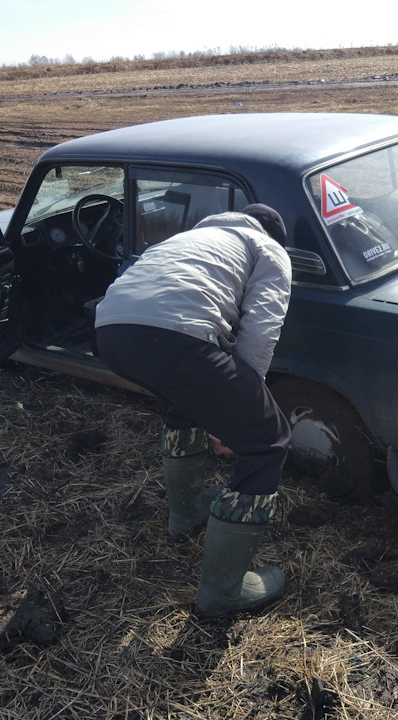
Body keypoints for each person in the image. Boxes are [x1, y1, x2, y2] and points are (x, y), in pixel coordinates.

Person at [94, 204, 293, 617]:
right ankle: (224, 592)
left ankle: (185, 514)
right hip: (176, 336)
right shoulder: (270, 250)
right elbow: (259, 335)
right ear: (274, 235)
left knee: (188, 397)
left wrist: (222, 409)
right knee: (268, 441)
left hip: (111, 334)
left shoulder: (189, 238)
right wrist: (239, 414)